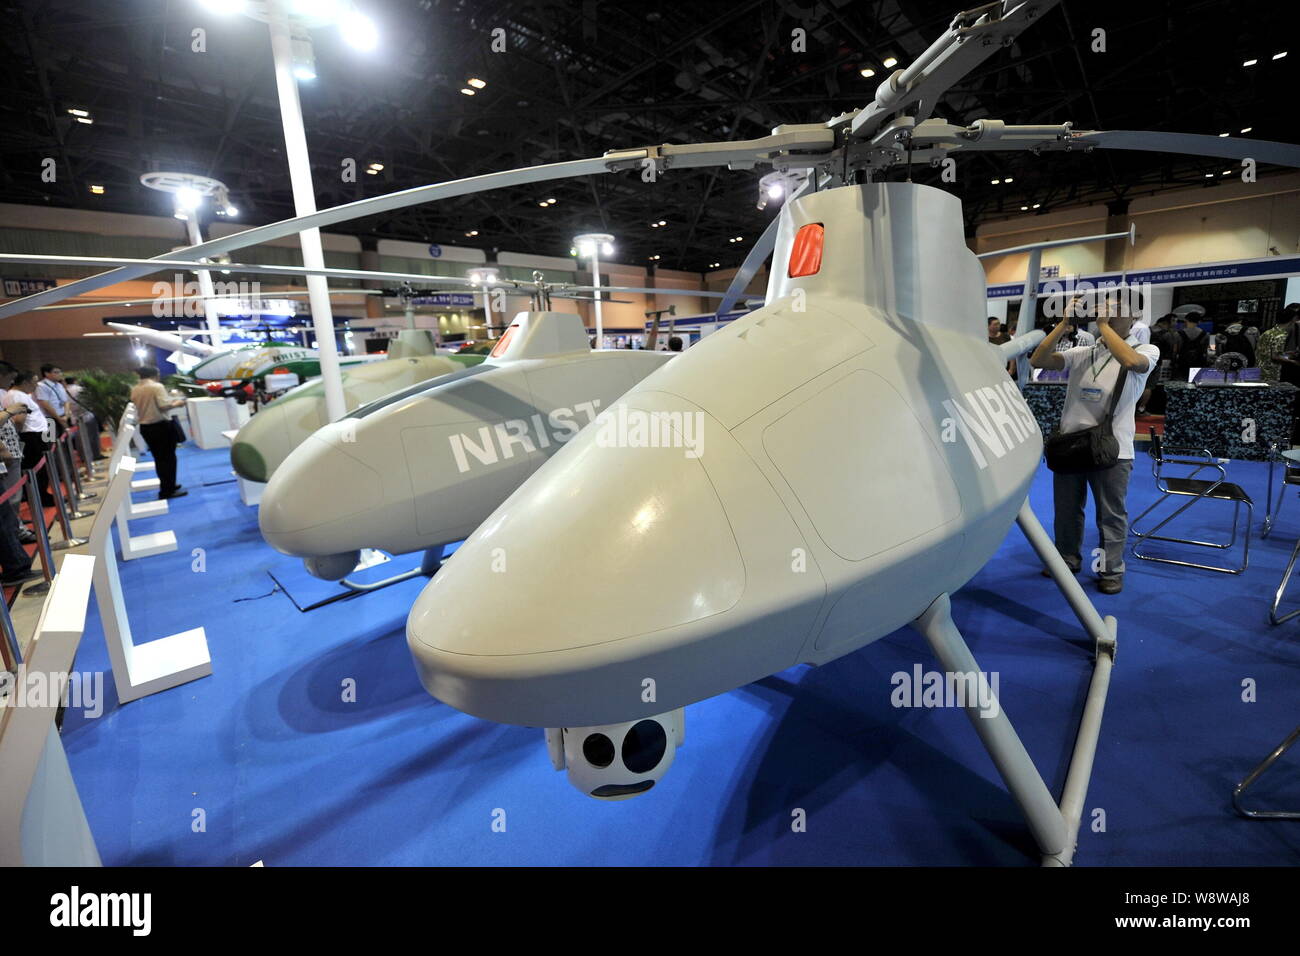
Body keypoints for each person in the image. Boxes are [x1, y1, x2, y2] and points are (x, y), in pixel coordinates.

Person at [1030, 297, 1161, 595]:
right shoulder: (1083, 352)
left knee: (1110, 514)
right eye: (1105, 309)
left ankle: (1110, 569)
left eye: (1117, 310)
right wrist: (1063, 324)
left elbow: (1132, 363)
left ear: (1135, 316)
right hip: (1072, 445)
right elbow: (1038, 361)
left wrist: (1103, 325)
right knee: (1066, 510)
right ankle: (1066, 558)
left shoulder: (1145, 349)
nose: (1110, 314)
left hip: (1112, 449)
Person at [129, 366, 187, 499]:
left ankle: (168, 485)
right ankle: (168, 490)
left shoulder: (136, 388)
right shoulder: (157, 387)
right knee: (168, 458)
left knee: (160, 459)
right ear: (155, 374)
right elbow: (163, 406)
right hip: (160, 426)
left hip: (146, 427)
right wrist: (178, 403)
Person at [10, 370, 57, 507]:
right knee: (37, 470)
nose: (36, 385)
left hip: (35, 434)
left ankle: (43, 495)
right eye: (34, 382)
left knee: (41, 470)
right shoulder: (17, 396)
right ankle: (41, 498)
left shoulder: (20, 395)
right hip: (31, 436)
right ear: (25, 382)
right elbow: (19, 420)